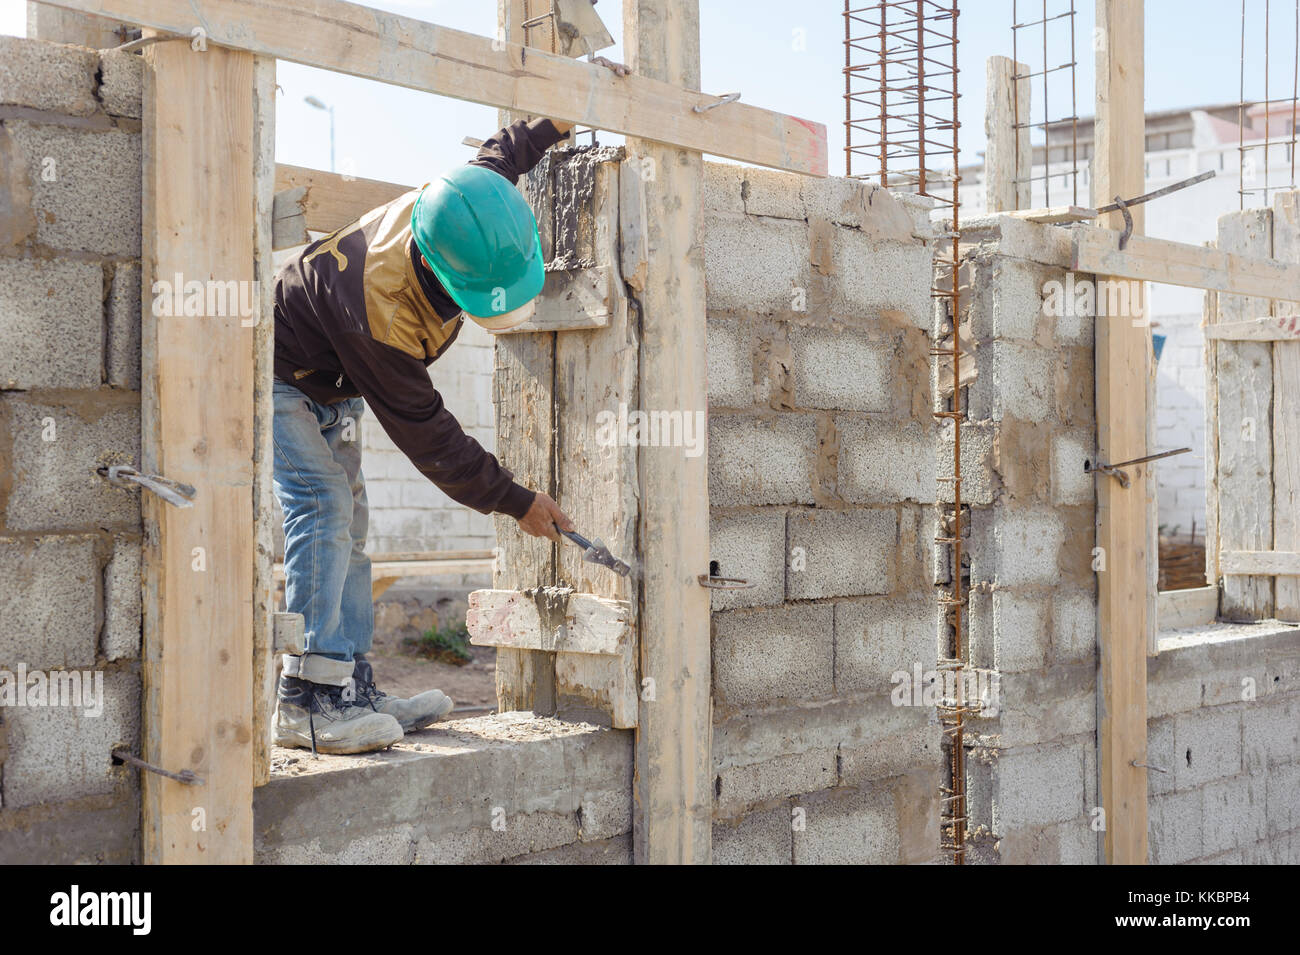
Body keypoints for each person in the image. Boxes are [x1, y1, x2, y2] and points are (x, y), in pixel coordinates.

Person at [270, 114, 583, 754]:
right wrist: (515, 501)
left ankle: (351, 686)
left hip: (330, 380)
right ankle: (304, 702)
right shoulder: (377, 312)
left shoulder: (461, 206)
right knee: (323, 505)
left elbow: (498, 160)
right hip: (277, 379)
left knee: (350, 523)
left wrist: (548, 124)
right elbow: (429, 436)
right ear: (443, 274)